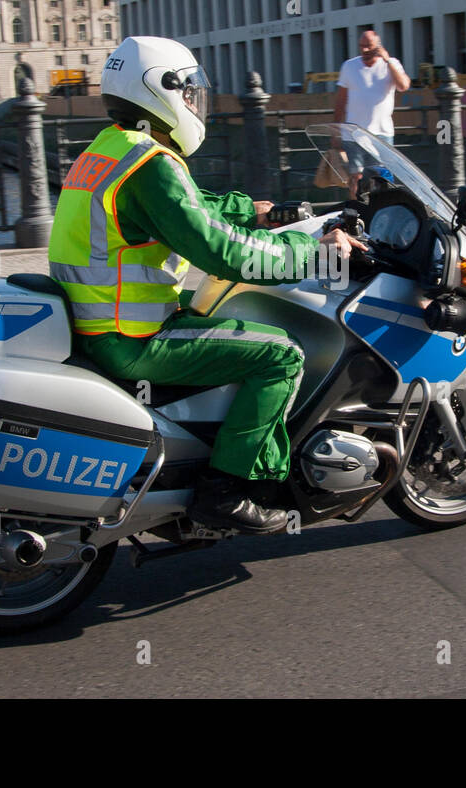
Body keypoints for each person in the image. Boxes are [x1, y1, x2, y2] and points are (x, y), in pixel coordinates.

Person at [48, 36, 365, 534]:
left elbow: (190, 207)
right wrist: (314, 253)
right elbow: (224, 253)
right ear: (162, 90)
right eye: (189, 90)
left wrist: (257, 211)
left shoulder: (110, 149)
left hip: (98, 326)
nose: (196, 101)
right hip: (133, 339)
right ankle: (225, 490)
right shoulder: (150, 164)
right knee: (282, 354)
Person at [333, 29, 410, 197]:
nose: (365, 50)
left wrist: (387, 60)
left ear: (378, 46)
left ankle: (379, 212)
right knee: (356, 177)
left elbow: (404, 86)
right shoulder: (349, 66)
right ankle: (356, 213)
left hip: (381, 133)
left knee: (380, 177)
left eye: (369, 46)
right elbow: (340, 101)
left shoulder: (391, 64)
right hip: (353, 133)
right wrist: (336, 132)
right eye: (362, 46)